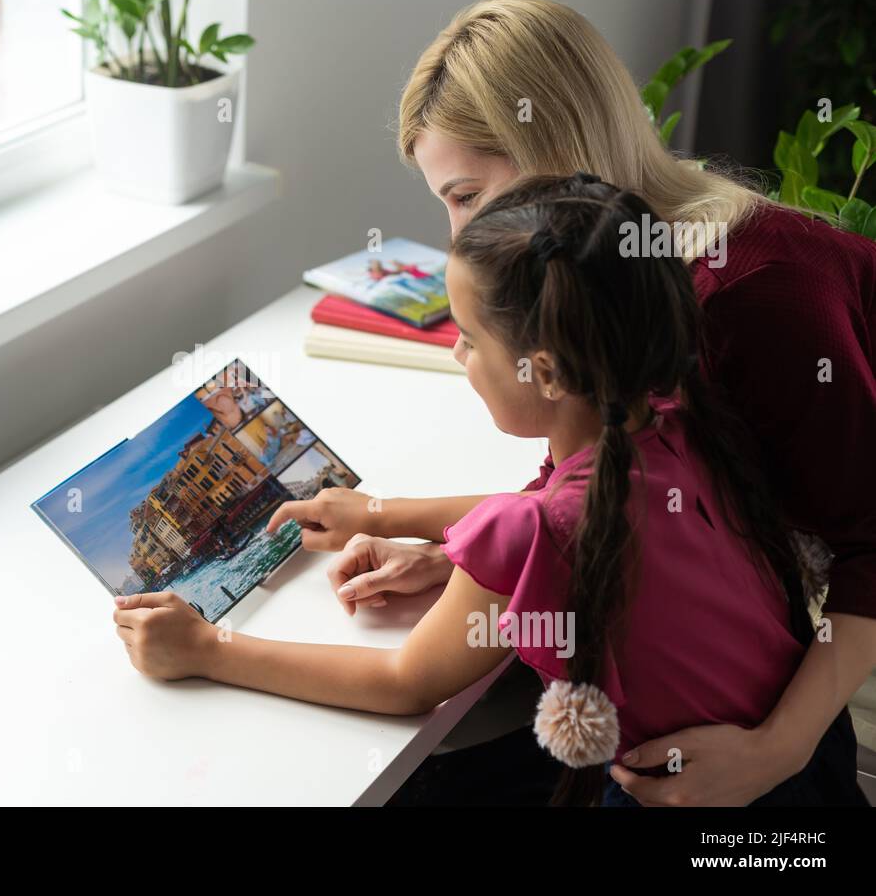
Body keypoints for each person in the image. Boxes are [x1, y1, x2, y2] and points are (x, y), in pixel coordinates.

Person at [264, 0, 876, 805]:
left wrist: (776, 750)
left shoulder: (758, 300)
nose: (457, 238)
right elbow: (602, 484)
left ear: (553, 146)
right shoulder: (610, 284)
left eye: (467, 195)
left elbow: (871, 544)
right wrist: (457, 555)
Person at [114, 175, 866, 805]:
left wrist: (210, 648)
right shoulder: (672, 417)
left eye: (471, 339)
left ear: (548, 372)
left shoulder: (540, 530)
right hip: (818, 764)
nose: (458, 354)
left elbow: (406, 681)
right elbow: (561, 508)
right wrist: (375, 513)